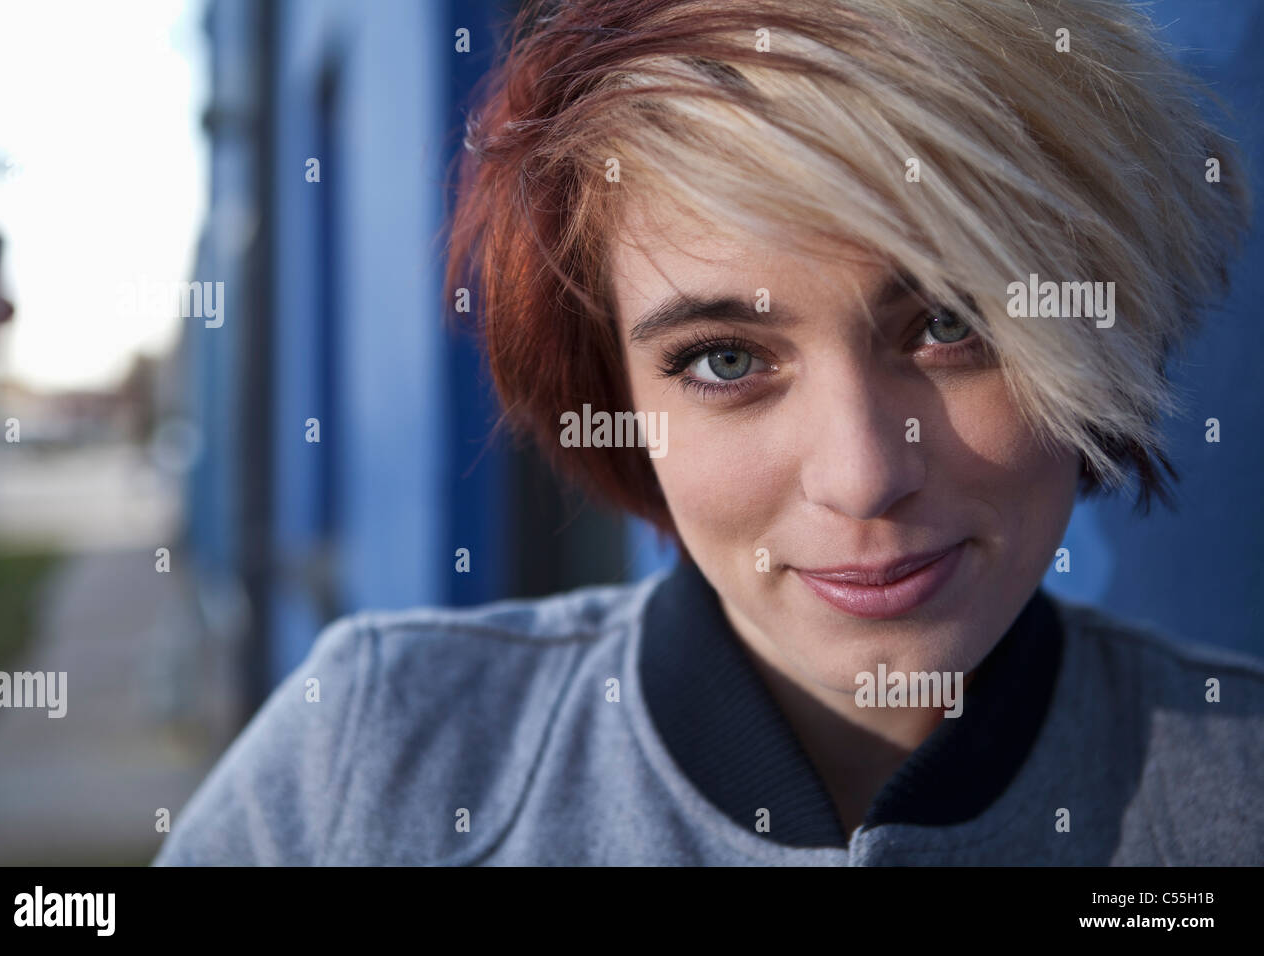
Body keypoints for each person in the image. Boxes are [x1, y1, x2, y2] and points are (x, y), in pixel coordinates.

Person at [155, 0, 1264, 865]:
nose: (862, 472)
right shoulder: (372, 761)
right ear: (618, 395)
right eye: (724, 358)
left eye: (947, 324)